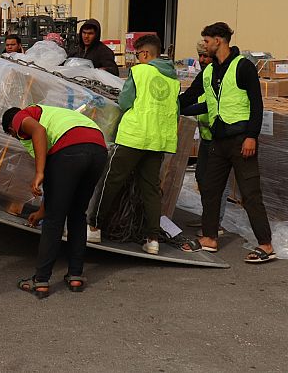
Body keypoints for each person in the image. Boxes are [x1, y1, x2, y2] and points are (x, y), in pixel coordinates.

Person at [178, 22, 276, 263]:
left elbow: (256, 104)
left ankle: (266, 244)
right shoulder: (209, 71)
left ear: (219, 40)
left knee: (250, 193)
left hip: (242, 139)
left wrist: (252, 135)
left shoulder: (243, 67)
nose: (205, 46)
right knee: (211, 188)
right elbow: (190, 96)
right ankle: (209, 238)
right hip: (218, 141)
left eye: (207, 41)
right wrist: (162, 105)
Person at [1, 105, 108, 297]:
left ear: (11, 128)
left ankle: (41, 280)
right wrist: (42, 210)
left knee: (54, 220)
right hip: (98, 150)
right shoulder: (55, 118)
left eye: (14, 135)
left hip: (71, 149)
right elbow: (56, 188)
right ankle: (75, 275)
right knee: (77, 214)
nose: (18, 137)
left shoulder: (20, 116)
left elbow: (38, 131)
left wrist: (39, 172)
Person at [87, 34, 180, 255]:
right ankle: (153, 239)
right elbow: (175, 113)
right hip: (157, 141)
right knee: (151, 190)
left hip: (133, 136)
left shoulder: (139, 72)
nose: (136, 59)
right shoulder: (173, 80)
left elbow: (124, 102)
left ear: (145, 54)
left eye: (137, 55)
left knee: (112, 180)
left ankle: (94, 227)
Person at [182, 41, 231, 234]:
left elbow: (207, 105)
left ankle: (215, 223)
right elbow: (193, 96)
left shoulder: (218, 75)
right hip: (206, 137)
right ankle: (208, 217)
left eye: (205, 56)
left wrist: (182, 109)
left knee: (217, 182)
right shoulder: (205, 75)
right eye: (199, 56)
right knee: (201, 177)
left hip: (220, 139)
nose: (202, 60)